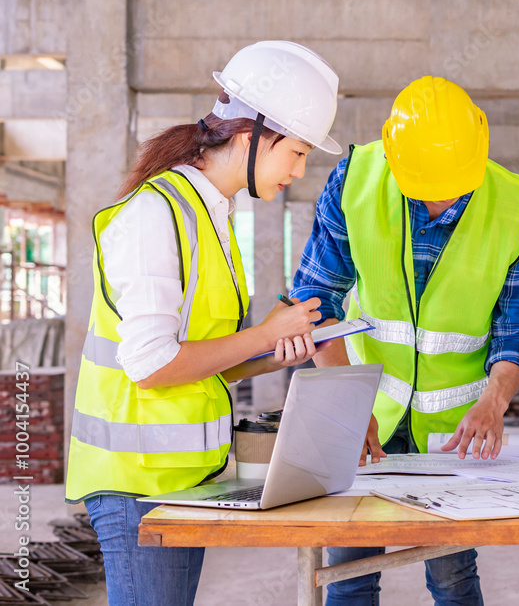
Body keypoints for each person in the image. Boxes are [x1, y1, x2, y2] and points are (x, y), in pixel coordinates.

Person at [65, 40, 343, 606]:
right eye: (295, 151)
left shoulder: (213, 212)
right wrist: (263, 333)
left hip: (183, 478)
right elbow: (149, 365)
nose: (299, 169)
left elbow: (205, 362)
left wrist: (274, 351)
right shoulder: (155, 214)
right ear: (250, 137)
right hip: (134, 483)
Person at [290, 75, 519, 606]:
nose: (439, 201)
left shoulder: (517, 204)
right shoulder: (354, 181)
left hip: (454, 429)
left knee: (453, 576)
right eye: (425, 190)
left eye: (452, 187)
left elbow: (517, 328)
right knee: (348, 568)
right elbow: (316, 301)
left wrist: (494, 400)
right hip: (368, 416)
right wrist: (345, 403)